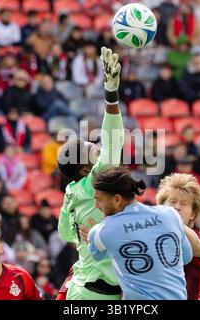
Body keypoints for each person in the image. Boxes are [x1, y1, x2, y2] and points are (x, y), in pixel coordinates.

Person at [56, 47, 124, 300]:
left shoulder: (70, 194)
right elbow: (114, 139)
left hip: (84, 286)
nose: (97, 148)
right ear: (86, 170)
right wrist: (111, 94)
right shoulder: (96, 182)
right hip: (99, 292)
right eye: (91, 150)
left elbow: (65, 234)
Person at [84, 166, 192, 300]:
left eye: (98, 199)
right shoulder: (170, 214)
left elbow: (97, 256)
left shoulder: (101, 232)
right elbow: (187, 257)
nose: (96, 205)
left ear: (117, 199)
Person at [155, 173, 200, 300]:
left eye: (183, 203)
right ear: (161, 206)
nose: (177, 207)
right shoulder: (150, 234)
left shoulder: (199, 239)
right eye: (172, 202)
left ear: (193, 214)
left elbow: (199, 249)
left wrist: (172, 219)